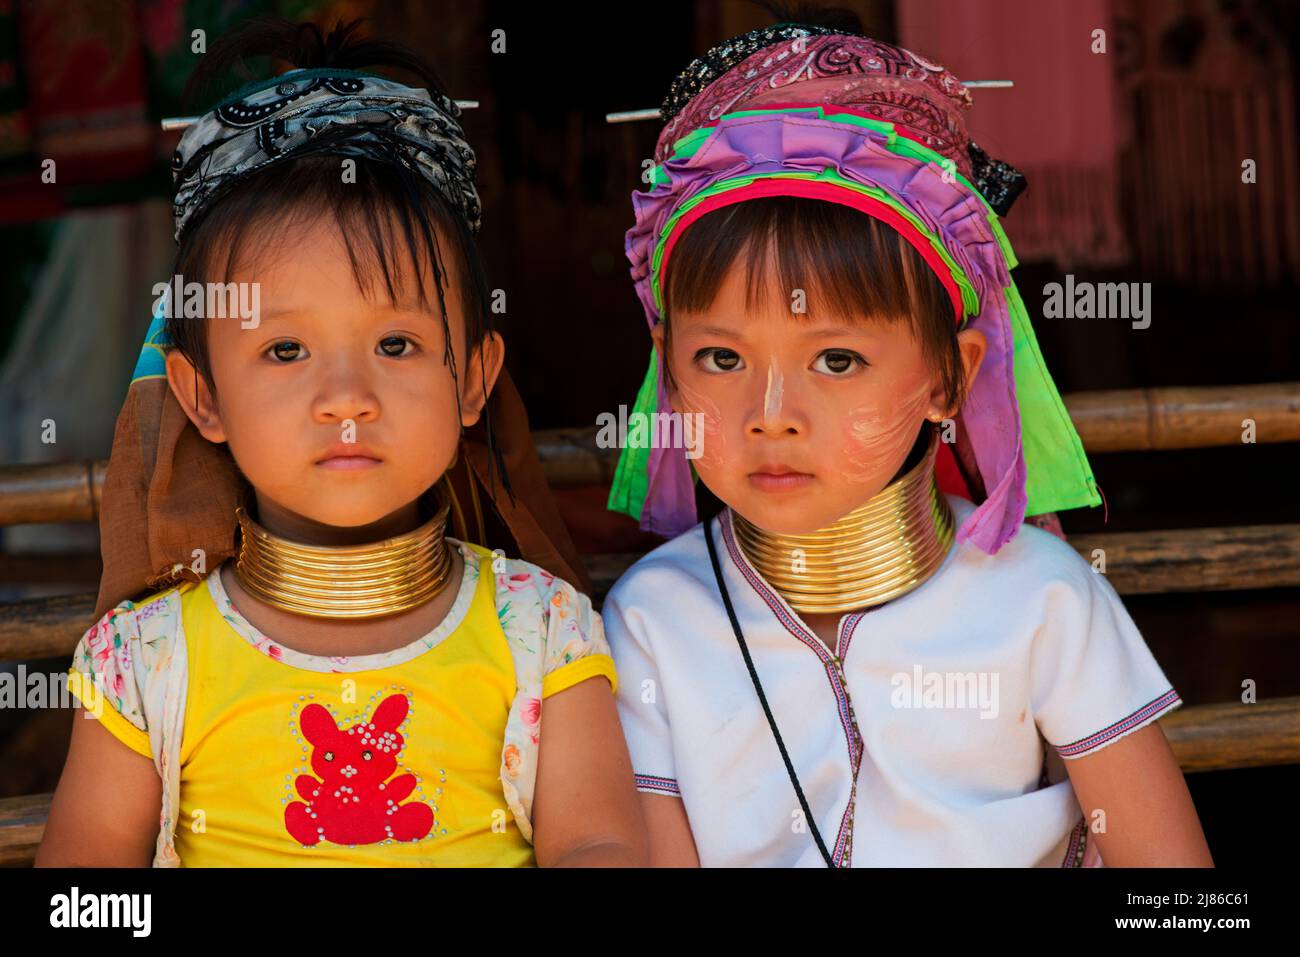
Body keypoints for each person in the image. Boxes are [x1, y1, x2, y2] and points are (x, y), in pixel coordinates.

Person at [602, 12, 1212, 867]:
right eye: (722, 356)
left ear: (948, 379)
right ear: (668, 365)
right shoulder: (653, 620)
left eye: (838, 358)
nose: (771, 412)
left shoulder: (1044, 603)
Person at [37, 19, 645, 868]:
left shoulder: (542, 633)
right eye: (284, 350)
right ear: (201, 394)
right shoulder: (145, 662)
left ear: (472, 378)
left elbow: (602, 842)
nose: (347, 398)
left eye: (395, 345)